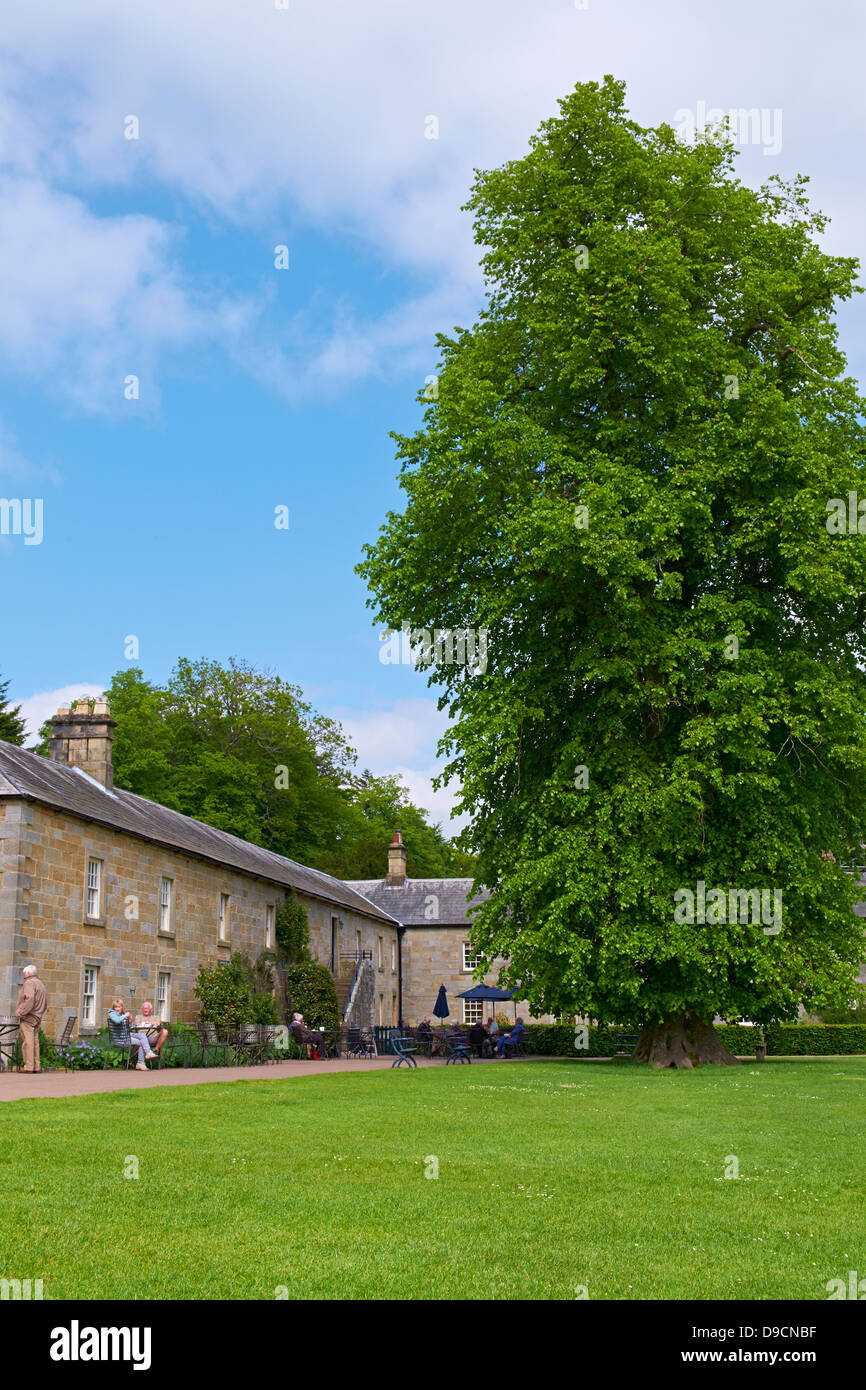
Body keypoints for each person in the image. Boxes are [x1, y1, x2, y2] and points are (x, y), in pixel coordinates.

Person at [108, 999, 157, 1071]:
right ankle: (140, 1063)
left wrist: (130, 1021)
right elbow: (117, 1021)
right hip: (120, 1039)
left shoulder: (121, 1015)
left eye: (119, 1007)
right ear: (113, 1008)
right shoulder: (112, 1014)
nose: (117, 1009)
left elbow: (128, 1028)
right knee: (141, 1042)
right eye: (116, 1007)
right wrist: (125, 1016)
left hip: (126, 1035)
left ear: (122, 1007)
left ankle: (148, 1052)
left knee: (142, 1036)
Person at [16, 964, 47, 1073]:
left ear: (28, 973)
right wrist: (39, 1013)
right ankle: (36, 1066)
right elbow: (45, 1002)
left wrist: (21, 1012)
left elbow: (29, 999)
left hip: (29, 1017)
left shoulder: (29, 982)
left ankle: (29, 1066)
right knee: (34, 1041)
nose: (24, 976)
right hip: (37, 1016)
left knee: (27, 1042)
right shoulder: (40, 983)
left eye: (24, 974)